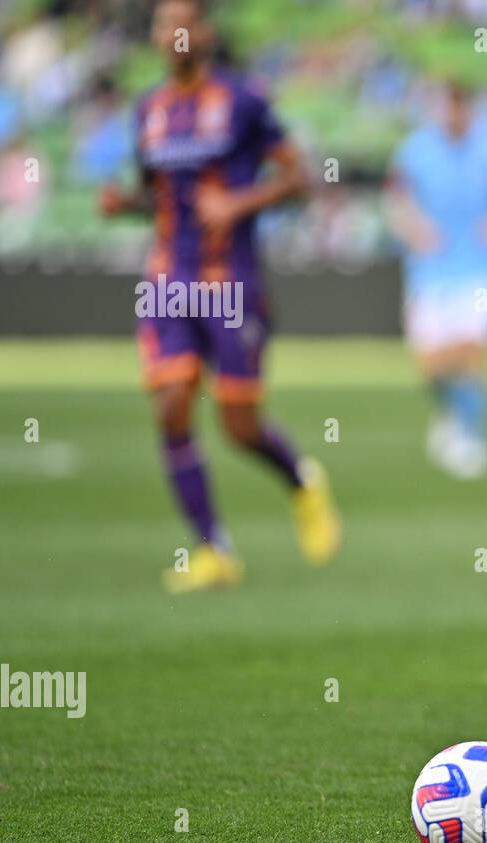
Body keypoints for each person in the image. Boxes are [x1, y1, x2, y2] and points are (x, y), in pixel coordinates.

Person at [100, 0, 341, 592]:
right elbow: (161, 198)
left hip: (230, 282)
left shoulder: (243, 101)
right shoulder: (149, 110)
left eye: (185, 24)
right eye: (164, 25)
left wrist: (239, 203)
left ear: (205, 33)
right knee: (172, 403)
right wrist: (126, 204)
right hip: (167, 282)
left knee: (239, 425)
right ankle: (213, 549)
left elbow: (299, 179)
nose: (174, 34)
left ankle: (301, 482)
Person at [387, 82, 487, 480]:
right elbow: (396, 201)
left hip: (481, 267)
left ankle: (471, 435)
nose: (452, 112)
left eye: (459, 105)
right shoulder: (415, 150)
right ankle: (451, 412)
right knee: (431, 364)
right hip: (430, 270)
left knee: (472, 350)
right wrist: (413, 229)